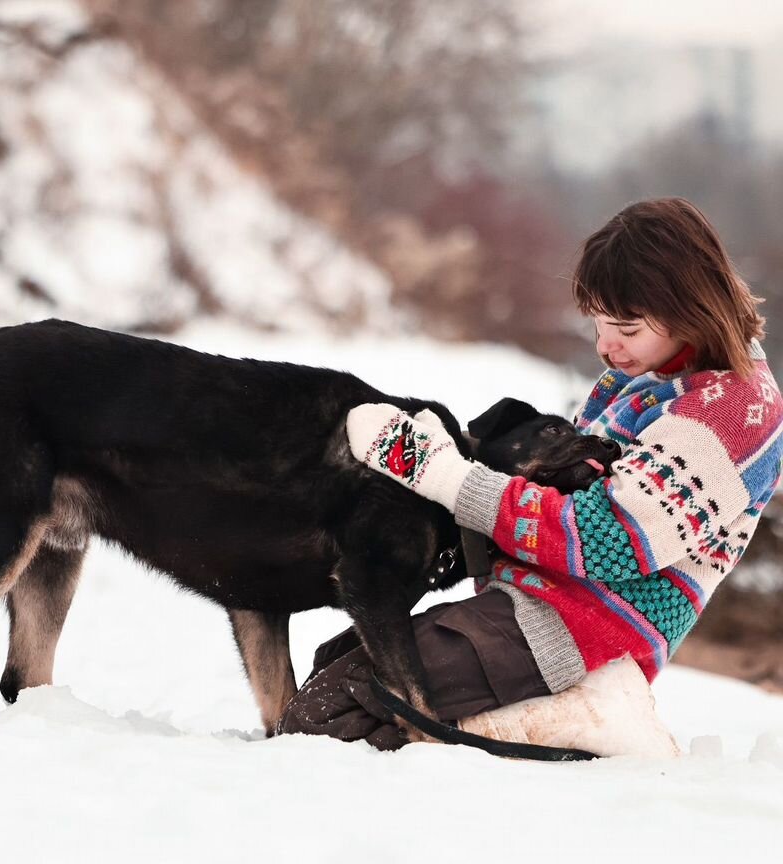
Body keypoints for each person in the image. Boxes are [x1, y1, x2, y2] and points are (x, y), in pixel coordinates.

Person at [277, 197, 783, 752]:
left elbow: (610, 538)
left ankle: (582, 717)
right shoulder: (655, 374)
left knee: (330, 711)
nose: (606, 345)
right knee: (333, 662)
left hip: (583, 629)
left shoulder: (731, 410)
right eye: (598, 323)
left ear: (694, 306)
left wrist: (444, 475)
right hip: (532, 602)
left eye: (626, 328)